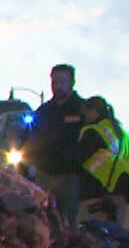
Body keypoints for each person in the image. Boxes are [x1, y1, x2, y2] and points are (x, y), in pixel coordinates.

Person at [26, 63, 90, 223]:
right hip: (45, 174)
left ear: (72, 83)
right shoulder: (44, 111)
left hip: (70, 176)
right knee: (43, 219)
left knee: (69, 220)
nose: (57, 86)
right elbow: (31, 139)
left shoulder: (82, 109)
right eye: (54, 82)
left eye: (62, 82)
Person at [73, 95, 129, 215]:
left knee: (89, 231)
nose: (83, 117)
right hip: (121, 195)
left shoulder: (94, 131)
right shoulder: (124, 134)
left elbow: (76, 158)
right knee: (114, 232)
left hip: (97, 194)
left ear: (93, 111)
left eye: (85, 113)